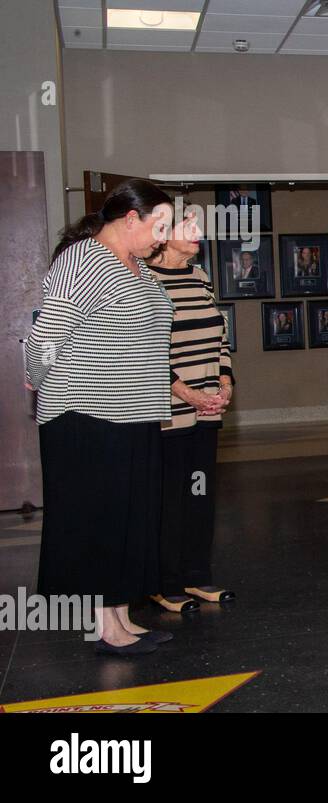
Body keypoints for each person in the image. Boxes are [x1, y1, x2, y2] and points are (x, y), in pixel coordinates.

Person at [22, 179, 177, 656]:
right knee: (97, 520)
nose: (164, 237)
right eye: (160, 225)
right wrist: (36, 373)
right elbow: (47, 333)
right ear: (130, 218)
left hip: (133, 414)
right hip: (87, 416)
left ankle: (121, 618)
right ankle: (103, 628)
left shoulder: (136, 268)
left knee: (128, 520)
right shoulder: (83, 260)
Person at [148, 208, 237, 614]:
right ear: (164, 236)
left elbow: (220, 337)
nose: (198, 233)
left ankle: (197, 576)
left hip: (207, 406)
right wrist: (184, 392)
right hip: (168, 408)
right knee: (169, 497)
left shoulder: (200, 277)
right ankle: (163, 583)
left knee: (200, 492)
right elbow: (146, 346)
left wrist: (225, 381)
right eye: (189, 227)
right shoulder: (145, 279)